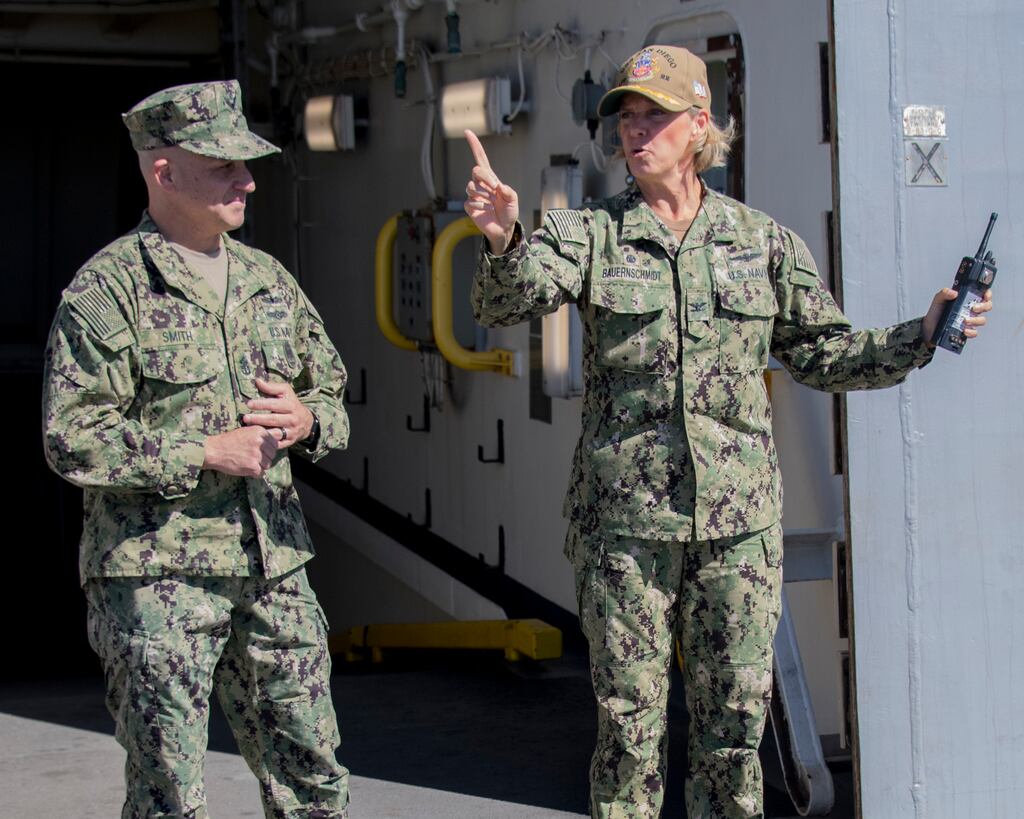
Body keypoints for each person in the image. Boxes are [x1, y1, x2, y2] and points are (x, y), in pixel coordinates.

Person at [464, 45, 992, 819]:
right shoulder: (589, 235)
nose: (635, 132)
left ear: (700, 126)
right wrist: (505, 236)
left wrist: (923, 331)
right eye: (626, 118)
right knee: (629, 729)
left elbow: (826, 350)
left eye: (655, 115)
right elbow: (507, 302)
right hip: (626, 530)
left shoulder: (761, 242)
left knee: (733, 729)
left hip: (736, 531)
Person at [42, 80, 350, 818]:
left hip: (273, 566)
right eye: (223, 165)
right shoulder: (107, 292)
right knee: (170, 793)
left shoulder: (268, 281)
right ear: (163, 171)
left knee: (315, 779)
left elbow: (333, 394)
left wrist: (310, 419)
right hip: (159, 578)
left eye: (247, 164)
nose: (246, 180)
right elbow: (69, 437)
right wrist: (203, 449)